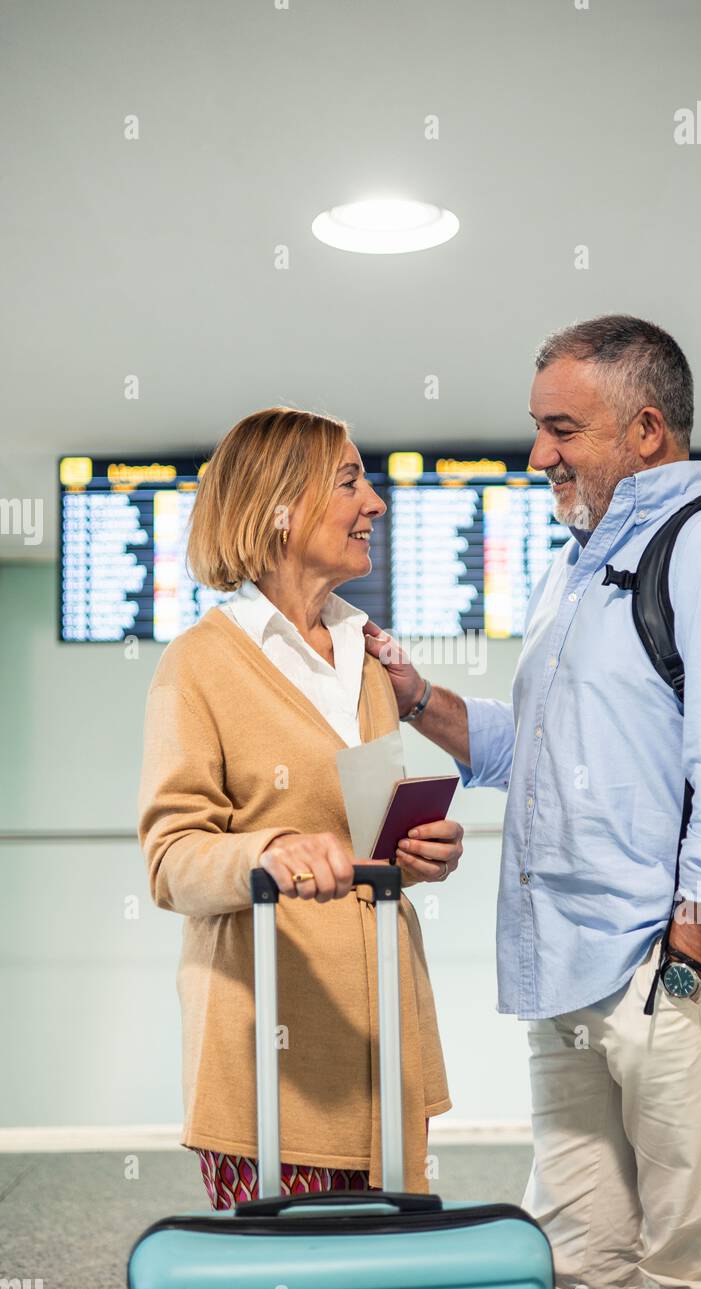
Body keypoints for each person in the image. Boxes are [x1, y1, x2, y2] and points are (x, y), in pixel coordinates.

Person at [366, 315, 701, 1289]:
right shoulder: (571, 572)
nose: (538, 454)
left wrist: (684, 974)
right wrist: (415, 695)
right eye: (538, 428)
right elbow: (523, 747)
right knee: (575, 1268)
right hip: (567, 985)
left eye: (561, 429)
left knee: (700, 1272)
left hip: (670, 978)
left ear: (646, 429)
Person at [138, 406, 463, 1207]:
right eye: (350, 480)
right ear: (279, 506)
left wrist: (420, 856)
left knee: (383, 1280)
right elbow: (172, 858)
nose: (375, 503)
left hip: (384, 1040)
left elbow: (370, 842)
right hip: (271, 1053)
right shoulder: (200, 664)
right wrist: (268, 851)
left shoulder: (368, 659)